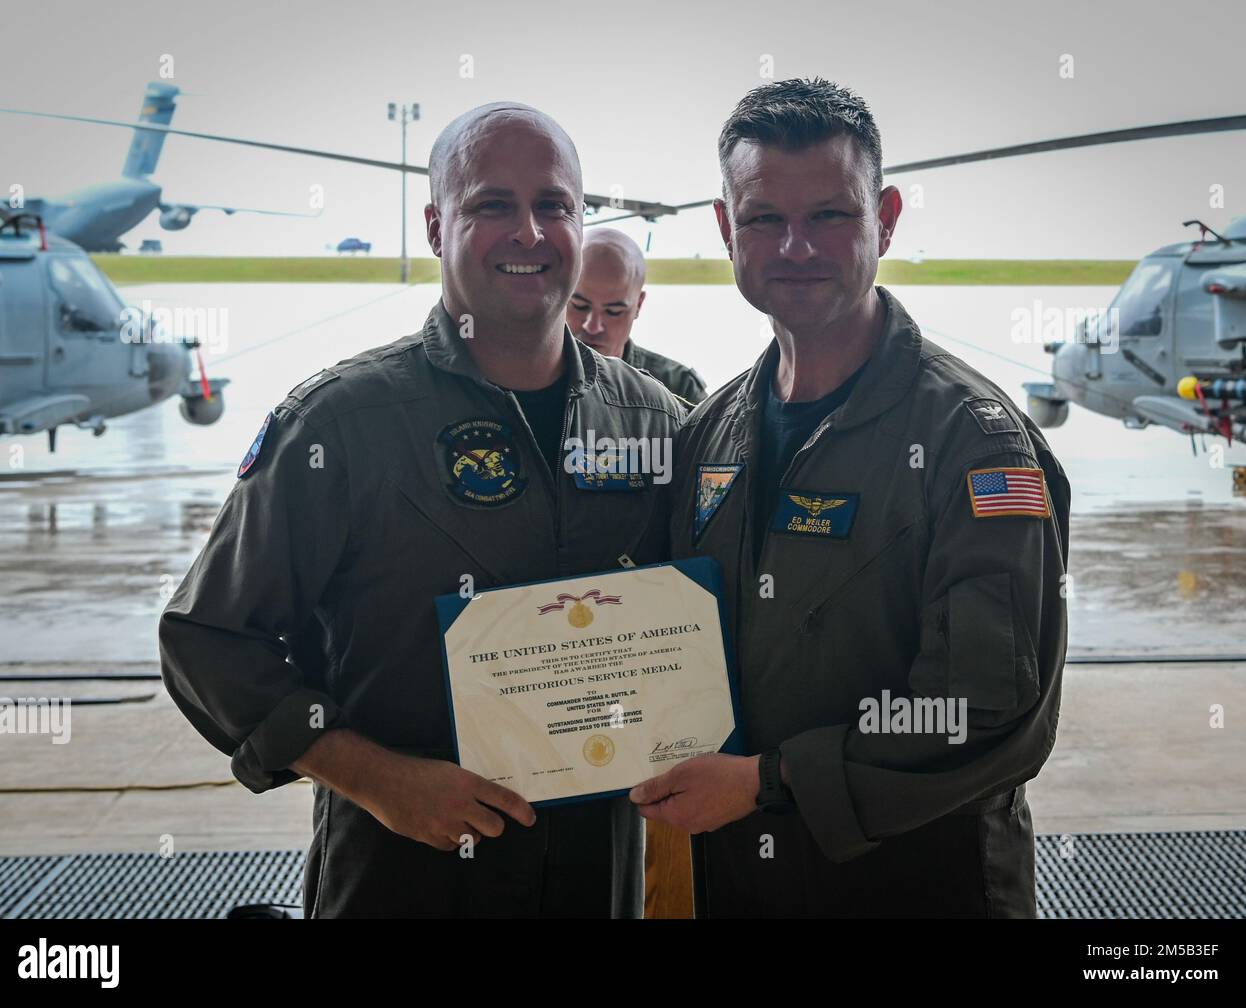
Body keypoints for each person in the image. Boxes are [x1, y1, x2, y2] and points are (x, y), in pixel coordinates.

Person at [159, 102, 684, 918]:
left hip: (595, 872)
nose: (530, 232)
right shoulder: (343, 424)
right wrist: (377, 778)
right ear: (437, 226)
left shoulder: (655, 422)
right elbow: (208, 638)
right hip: (403, 873)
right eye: (491, 205)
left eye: (554, 205)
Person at [629, 78, 1070, 918]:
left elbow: (985, 711)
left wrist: (770, 781)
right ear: (727, 229)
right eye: (764, 219)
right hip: (742, 882)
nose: (795, 246)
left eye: (830, 215)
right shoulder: (710, 434)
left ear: (887, 216)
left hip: (918, 887)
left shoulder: (973, 443)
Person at [569, 228, 708, 403]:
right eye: (580, 306)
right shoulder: (529, 376)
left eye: (613, 311)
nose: (593, 325)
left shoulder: (678, 388)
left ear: (639, 305)